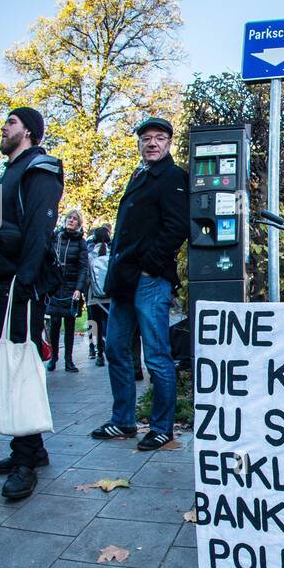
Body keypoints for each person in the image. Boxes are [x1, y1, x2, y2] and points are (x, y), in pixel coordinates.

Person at [0, 107, 63, 500]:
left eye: (10, 122)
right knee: (10, 367)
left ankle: (25, 461)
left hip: (16, 290)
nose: (3, 128)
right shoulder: (6, 175)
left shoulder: (39, 169)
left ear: (28, 131)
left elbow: (39, 229)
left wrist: (24, 284)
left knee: (21, 369)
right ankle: (32, 449)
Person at [90, 117, 187, 451]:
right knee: (115, 349)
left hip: (148, 281)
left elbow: (176, 228)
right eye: (146, 138)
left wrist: (149, 268)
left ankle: (162, 427)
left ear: (169, 143)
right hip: (123, 280)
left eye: (160, 138)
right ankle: (123, 421)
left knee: (157, 356)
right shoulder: (139, 174)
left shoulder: (173, 177)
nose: (152, 143)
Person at [46, 207, 90, 372]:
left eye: (75, 218)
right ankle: (54, 357)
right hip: (55, 287)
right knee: (54, 323)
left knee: (70, 323)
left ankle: (69, 360)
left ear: (79, 223)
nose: (71, 220)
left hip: (71, 287)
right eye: (69, 218)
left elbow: (83, 267)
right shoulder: (56, 237)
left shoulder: (81, 242)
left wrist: (79, 288)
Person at [87, 224, 111, 367]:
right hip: (109, 295)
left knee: (94, 324)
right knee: (108, 323)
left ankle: (98, 354)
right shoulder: (111, 255)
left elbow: (86, 277)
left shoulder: (90, 256)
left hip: (94, 297)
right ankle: (110, 351)